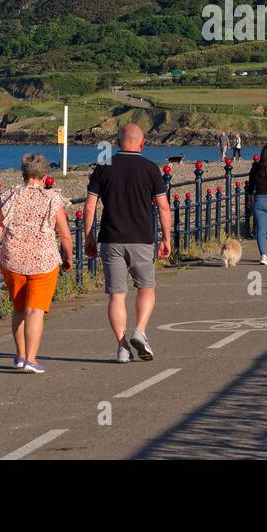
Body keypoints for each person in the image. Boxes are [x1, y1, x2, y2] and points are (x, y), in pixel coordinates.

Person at [83, 124, 172, 363]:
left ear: (117, 142)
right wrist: (167, 238)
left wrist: (89, 237)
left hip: (111, 239)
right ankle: (140, 331)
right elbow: (163, 207)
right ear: (142, 143)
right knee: (146, 287)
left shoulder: (103, 167)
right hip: (141, 238)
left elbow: (90, 206)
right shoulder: (150, 169)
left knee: (116, 295)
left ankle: (122, 347)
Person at [0, 154, 74, 373]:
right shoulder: (52, 199)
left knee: (19, 309)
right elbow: (65, 234)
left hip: (13, 259)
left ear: (23, 175)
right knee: (35, 311)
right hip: (43, 260)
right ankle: (31, 359)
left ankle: (20, 356)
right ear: (46, 176)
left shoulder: (12, 196)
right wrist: (68, 256)